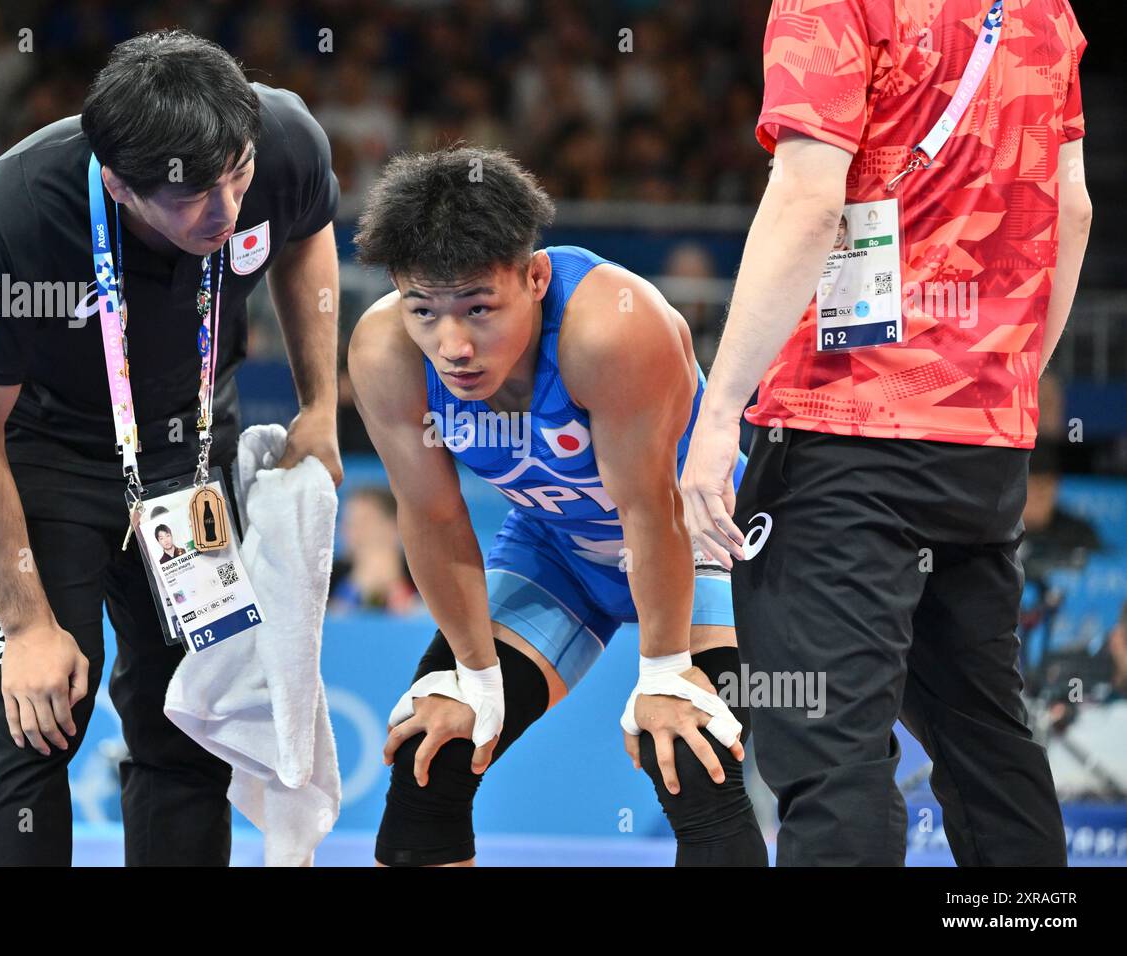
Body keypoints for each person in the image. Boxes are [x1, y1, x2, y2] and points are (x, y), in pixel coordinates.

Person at [685, 0, 1090, 865]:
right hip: (982, 451)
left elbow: (805, 199)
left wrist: (719, 413)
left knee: (829, 750)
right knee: (987, 741)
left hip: (844, 438)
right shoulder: (1045, 11)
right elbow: (1074, 210)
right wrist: (1000, 384)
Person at [0, 30, 342, 866]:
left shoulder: (283, 138)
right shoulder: (16, 211)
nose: (225, 213)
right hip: (49, 451)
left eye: (238, 175)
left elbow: (307, 238)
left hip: (191, 454)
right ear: (117, 183)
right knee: (41, 711)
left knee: (190, 722)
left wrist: (323, 402)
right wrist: (27, 623)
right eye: (192, 198)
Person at [349, 146, 765, 867]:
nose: (453, 347)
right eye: (424, 310)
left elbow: (652, 511)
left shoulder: (610, 330)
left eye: (479, 309)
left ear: (535, 277)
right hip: (558, 550)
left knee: (693, 759)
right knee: (436, 747)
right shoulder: (386, 354)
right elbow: (434, 517)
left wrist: (665, 673)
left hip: (698, 541)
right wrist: (476, 678)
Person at [327, 486, 421, 615]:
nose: (352, 529)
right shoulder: (328, 581)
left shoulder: (424, 582)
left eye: (364, 521)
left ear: (394, 527)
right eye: (349, 522)